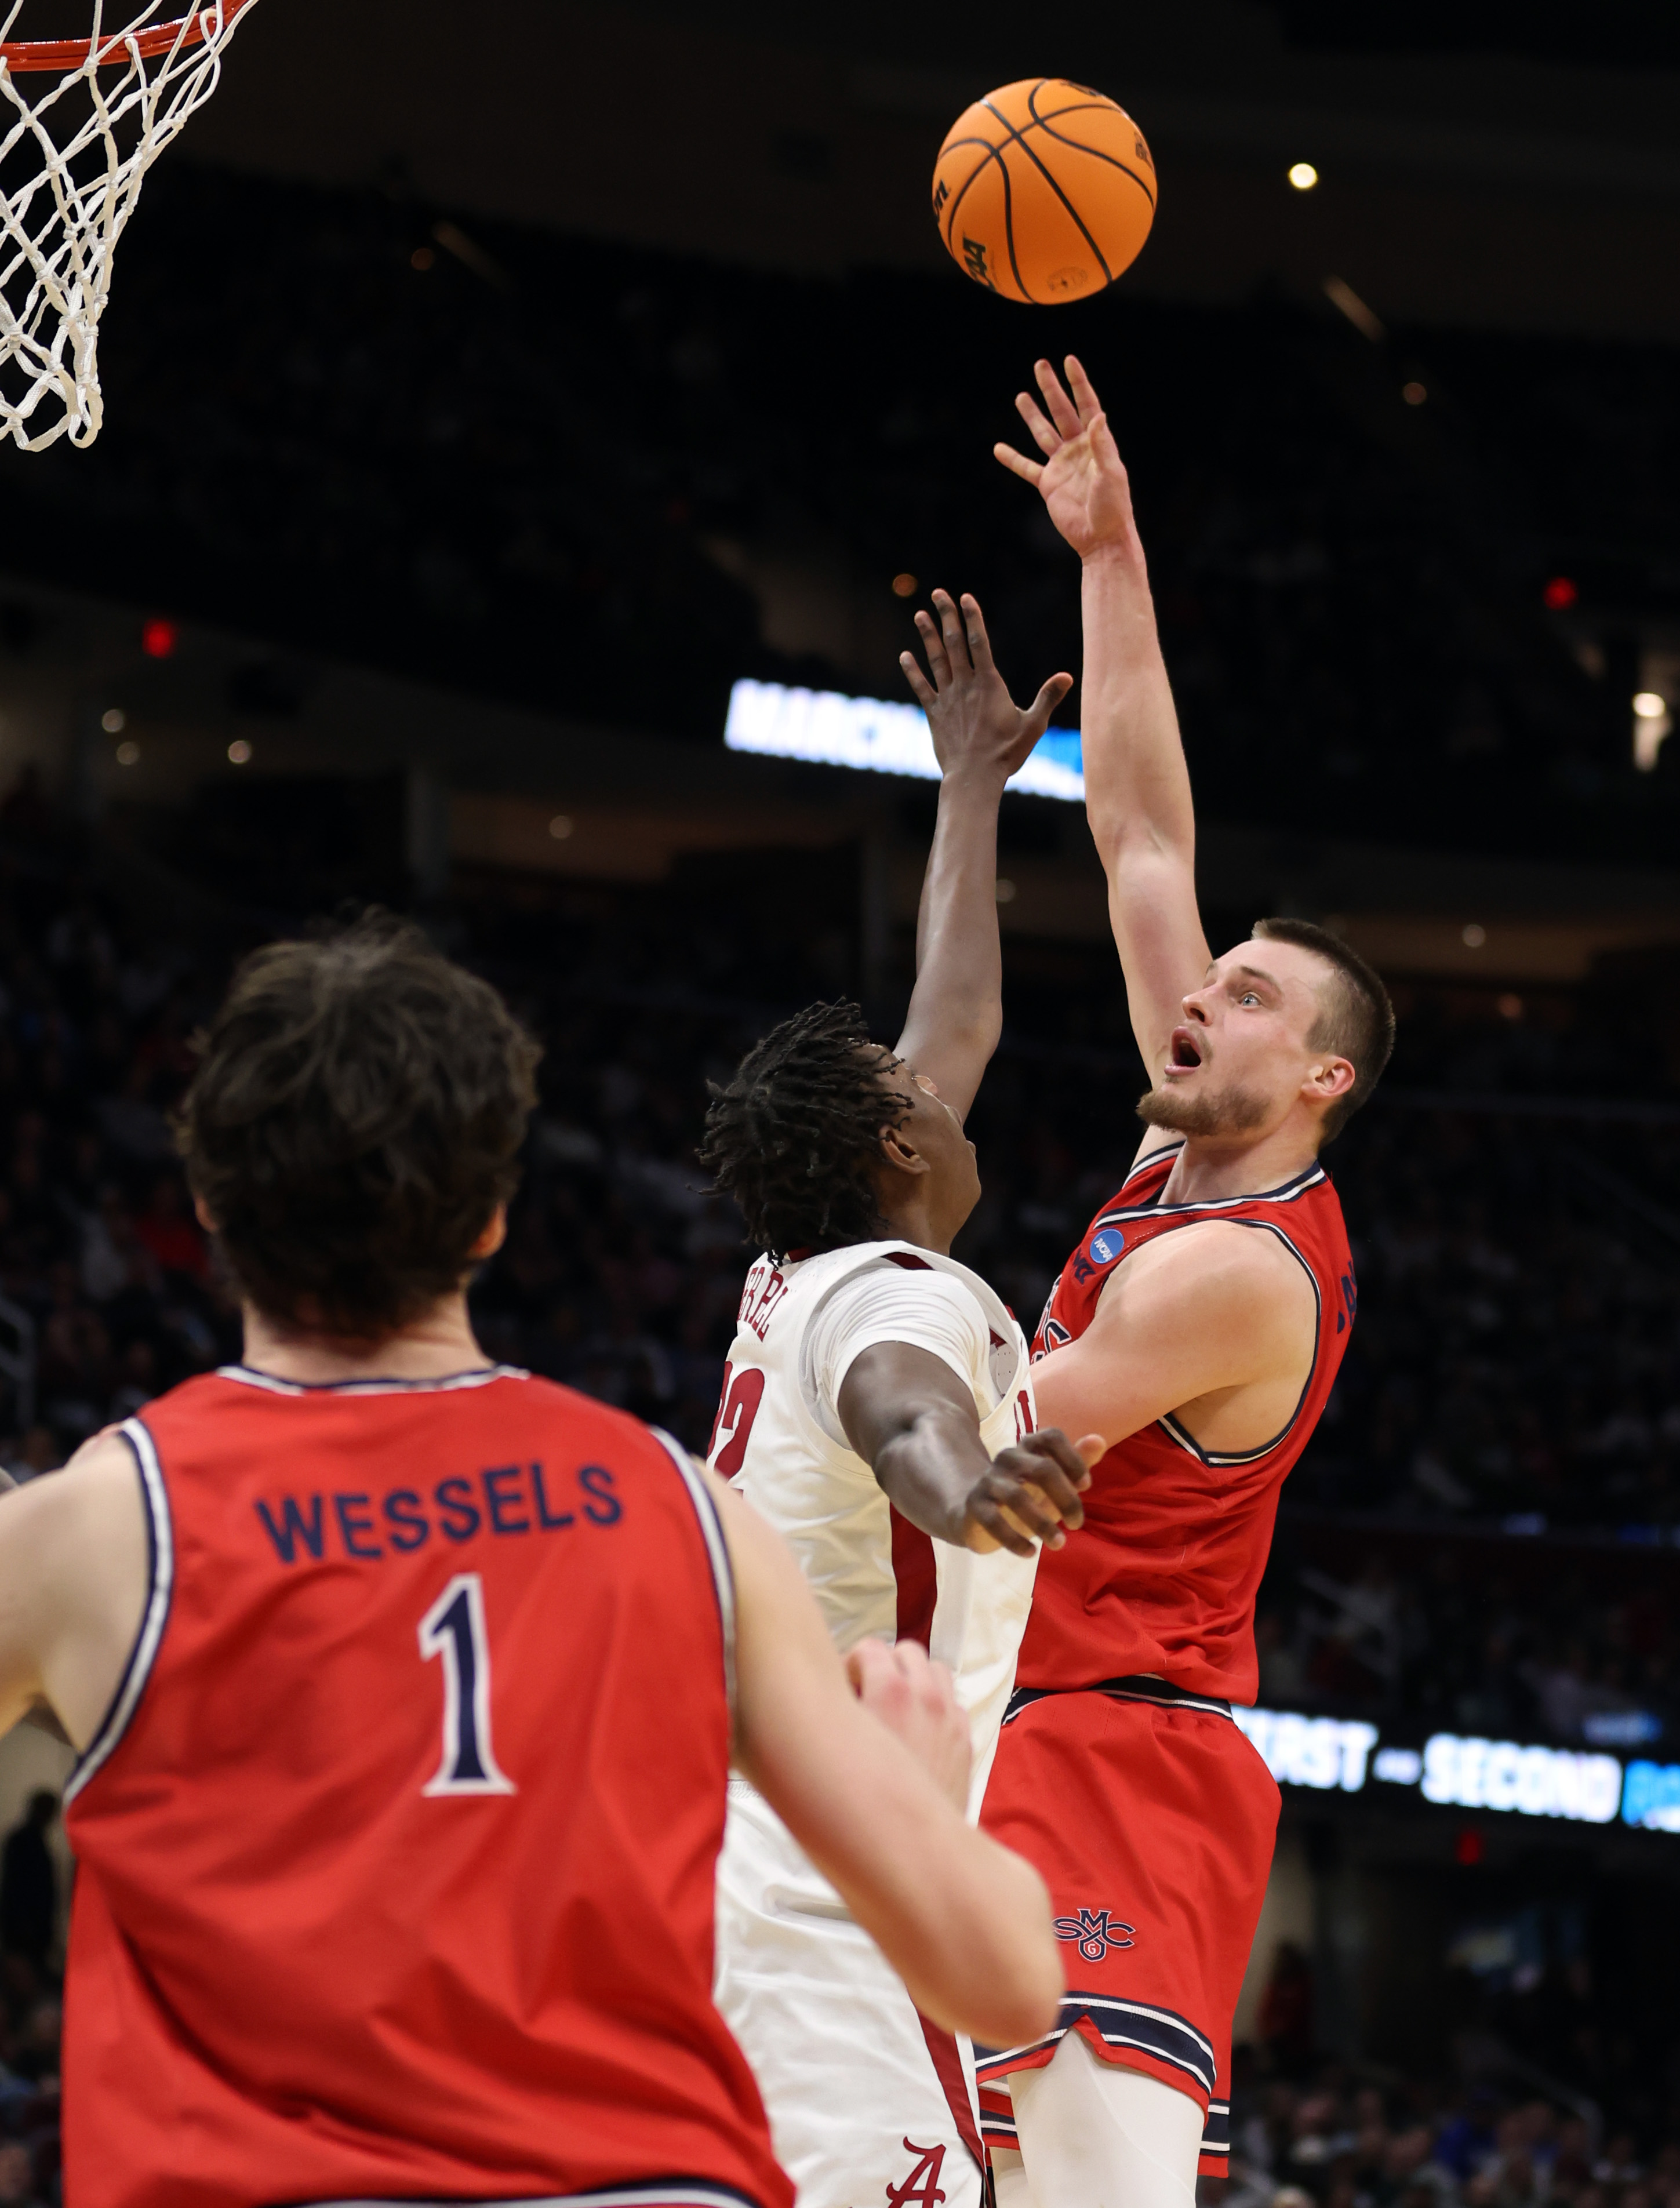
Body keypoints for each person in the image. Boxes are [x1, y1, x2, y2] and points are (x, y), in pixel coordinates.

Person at [0, 915, 1063, 2208]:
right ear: (497, 1215)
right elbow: (1006, 1973)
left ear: (211, 1202)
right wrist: (912, 1798)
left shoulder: (96, 1526)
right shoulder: (686, 1516)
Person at [974, 359, 1396, 2208]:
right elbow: (1141, 832)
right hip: (1017, 1717)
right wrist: (1116, 550)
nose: (1198, 994)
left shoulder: (1241, 1274)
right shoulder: (1183, 1153)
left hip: (1125, 1756)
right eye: (1210, 978)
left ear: (1322, 1082)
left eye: (1246, 998)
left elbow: (1002, 1429)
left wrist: (818, 1326)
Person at [699, 591, 1101, 2208]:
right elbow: (899, 1407)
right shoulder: (891, 1296)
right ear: (895, 1150)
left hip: (787, 1860)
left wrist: (969, 785)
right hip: (823, 1893)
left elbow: (961, 1014)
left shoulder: (806, 1264)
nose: (942, 1081)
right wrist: (960, 1484)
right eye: (912, 1094)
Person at [0, 1792, 57, 1978]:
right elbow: (17, 1887)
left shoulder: (27, 1840)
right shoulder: (25, 1841)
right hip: (26, 1929)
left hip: (29, 1928)